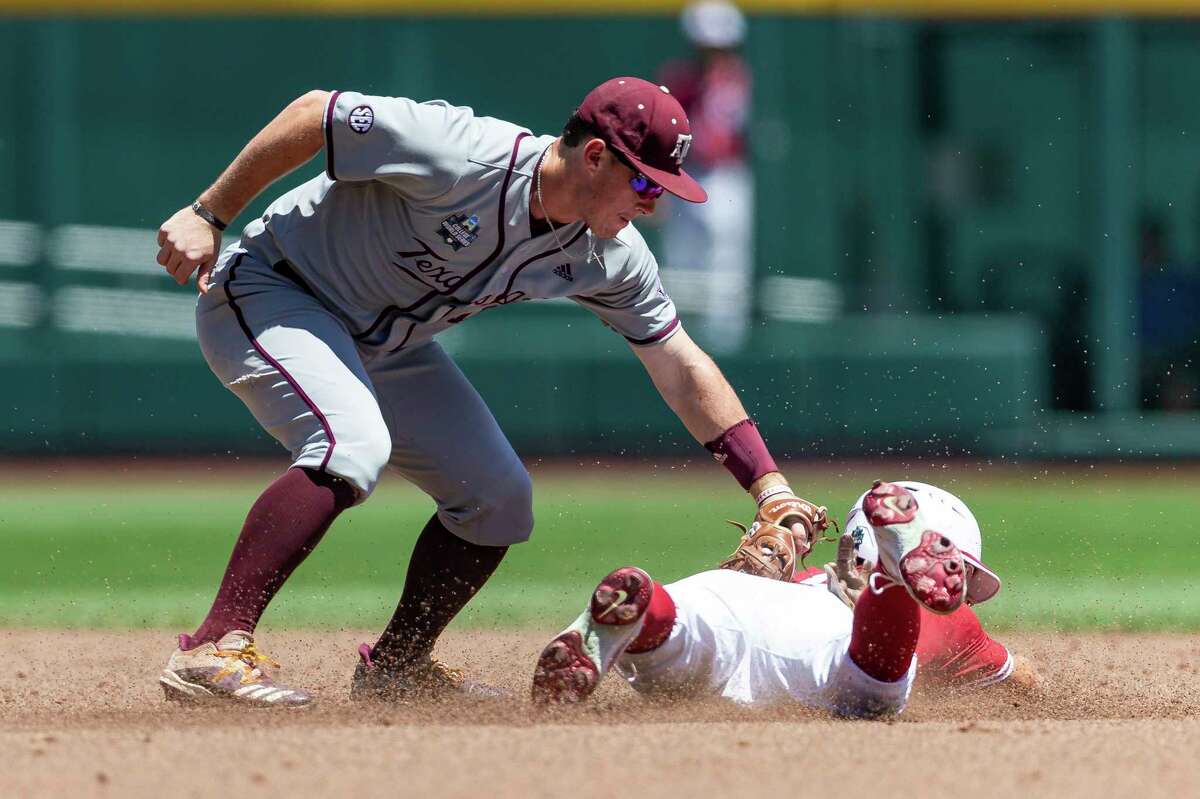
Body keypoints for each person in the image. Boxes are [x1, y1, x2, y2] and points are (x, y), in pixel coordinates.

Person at [153, 77, 857, 708]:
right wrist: (209, 214)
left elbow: (679, 361)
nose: (651, 206)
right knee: (350, 443)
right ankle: (216, 644)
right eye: (645, 185)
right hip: (274, 288)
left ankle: (398, 666)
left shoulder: (606, 252)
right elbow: (314, 113)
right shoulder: (464, 153)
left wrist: (768, 485)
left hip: (388, 342)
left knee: (498, 499)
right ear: (594, 157)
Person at [531, 481, 1041, 714]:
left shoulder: (804, 576)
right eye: (959, 575)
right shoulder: (952, 622)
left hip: (736, 597)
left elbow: (753, 600)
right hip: (826, 641)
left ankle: (650, 611)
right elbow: (1021, 684)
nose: (960, 594)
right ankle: (891, 586)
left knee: (681, 638)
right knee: (875, 687)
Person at [657, 0, 754, 354]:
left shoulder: (738, 80)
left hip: (726, 176)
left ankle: (726, 341)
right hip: (687, 174)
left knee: (726, 259)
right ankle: (677, 339)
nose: (712, 52)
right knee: (682, 259)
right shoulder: (681, 81)